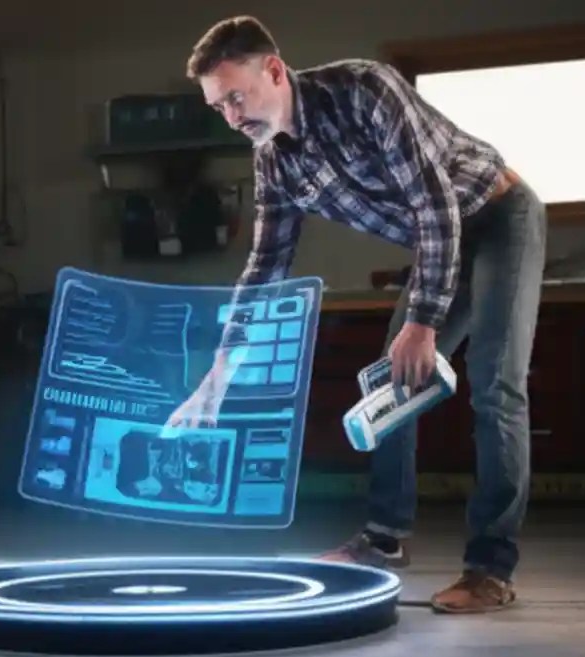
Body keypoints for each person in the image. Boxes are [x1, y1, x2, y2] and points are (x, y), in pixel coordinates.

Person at [169, 16, 547, 613]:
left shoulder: (364, 92)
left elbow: (434, 205)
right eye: (219, 107)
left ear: (274, 69)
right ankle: (384, 540)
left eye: (237, 97)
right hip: (438, 242)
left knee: (496, 386)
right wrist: (218, 375)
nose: (233, 116)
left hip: (497, 217)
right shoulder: (274, 162)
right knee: (389, 385)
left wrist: (422, 324)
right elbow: (265, 268)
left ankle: (490, 569)